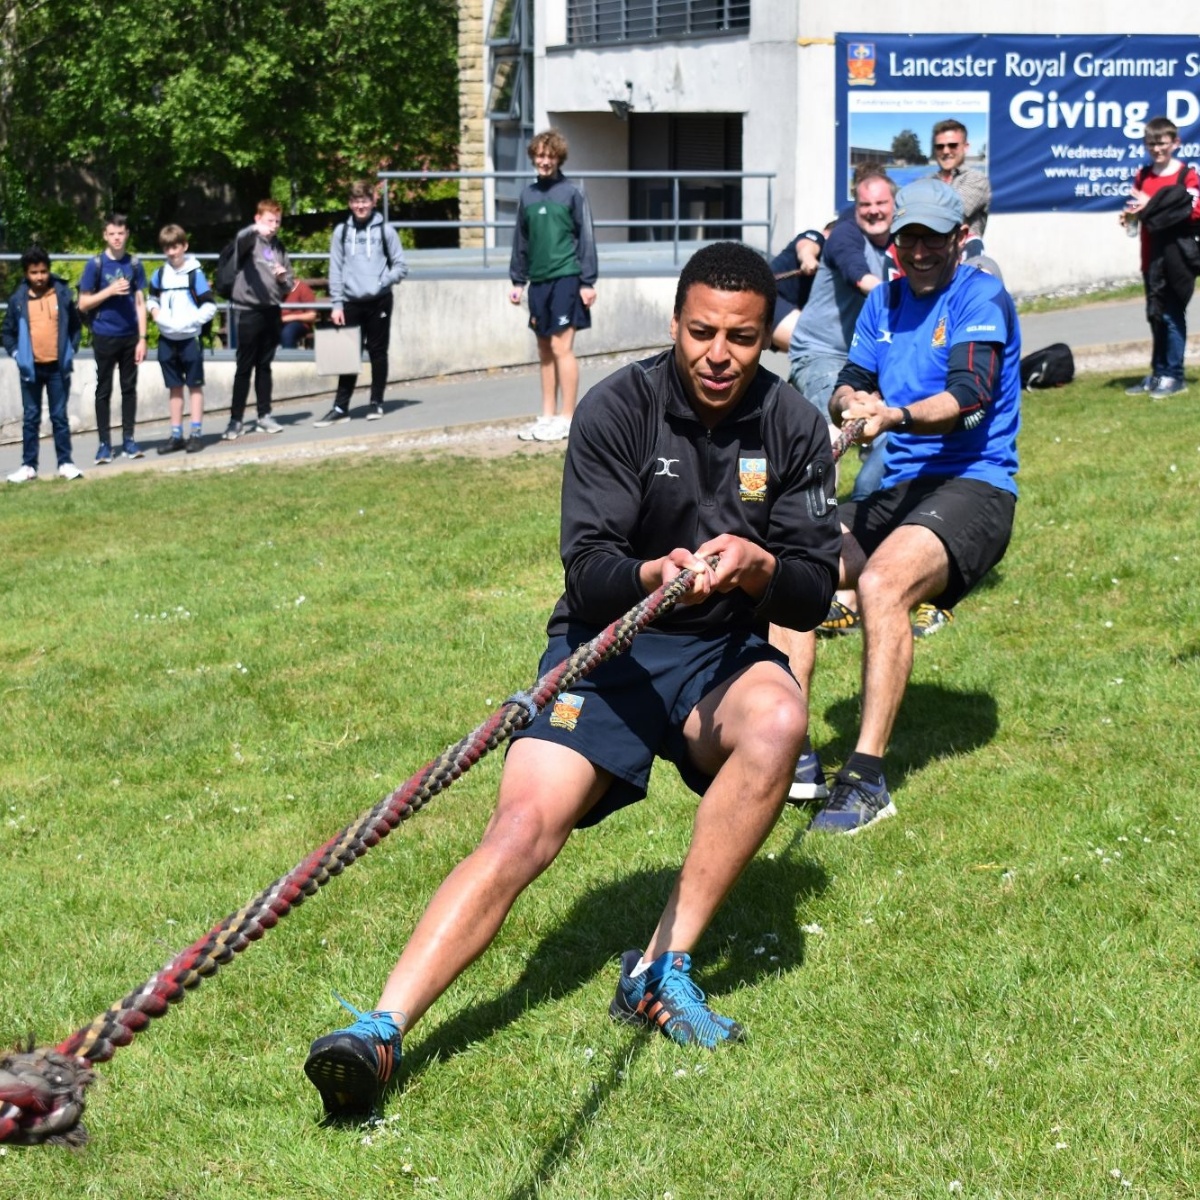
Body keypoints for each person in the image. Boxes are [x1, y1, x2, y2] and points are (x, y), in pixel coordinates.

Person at [302, 242, 840, 1118]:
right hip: (609, 648)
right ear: (674, 323)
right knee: (521, 830)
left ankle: (660, 970)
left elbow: (814, 593)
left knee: (780, 718)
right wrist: (645, 579)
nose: (717, 354)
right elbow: (587, 565)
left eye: (740, 339)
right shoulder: (617, 408)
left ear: (764, 340)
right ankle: (379, 1033)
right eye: (701, 331)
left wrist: (757, 568)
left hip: (717, 660)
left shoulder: (792, 426)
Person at [774, 178, 1021, 835]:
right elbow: (852, 380)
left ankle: (866, 779)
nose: (917, 250)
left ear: (958, 239)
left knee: (882, 584)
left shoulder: (979, 295)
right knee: (793, 561)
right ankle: (791, 753)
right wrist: (848, 406)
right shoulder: (883, 302)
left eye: (932, 238)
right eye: (906, 237)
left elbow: (969, 393)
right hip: (900, 487)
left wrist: (897, 415)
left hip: (976, 484)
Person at [508, 128, 598, 442]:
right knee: (544, 348)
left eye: (550, 156)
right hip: (539, 281)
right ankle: (547, 415)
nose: (545, 161)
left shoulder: (572, 192)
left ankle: (568, 417)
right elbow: (521, 239)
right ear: (534, 158)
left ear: (559, 158)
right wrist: (518, 280)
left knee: (562, 347)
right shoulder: (528, 195)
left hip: (567, 277)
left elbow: (586, 237)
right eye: (540, 156)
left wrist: (587, 281)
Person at [314, 180, 408, 425]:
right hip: (350, 302)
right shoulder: (341, 232)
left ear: (373, 201)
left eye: (365, 200)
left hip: (379, 301)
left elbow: (400, 266)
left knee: (377, 353)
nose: (360, 206)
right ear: (350, 204)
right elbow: (335, 268)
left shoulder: (385, 231)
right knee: (347, 356)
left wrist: (382, 281)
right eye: (356, 201)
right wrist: (336, 304)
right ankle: (340, 407)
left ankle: (376, 402)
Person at [1120, 115, 1200, 401]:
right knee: (1155, 315)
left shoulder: (1186, 175)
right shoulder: (1143, 175)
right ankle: (1158, 372)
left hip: (1177, 257)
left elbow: (1192, 209)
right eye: (1151, 144)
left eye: (1162, 143)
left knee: (1172, 314)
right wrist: (1133, 215)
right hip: (1150, 257)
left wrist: (1150, 205)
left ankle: (1174, 375)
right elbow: (1145, 213)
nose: (1157, 149)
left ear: (1175, 143)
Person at [3, 247, 84, 483]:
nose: (39, 277)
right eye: (34, 272)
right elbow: (7, 333)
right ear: (26, 273)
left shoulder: (62, 294)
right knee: (31, 417)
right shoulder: (18, 300)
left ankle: (65, 463)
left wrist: (71, 349)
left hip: (58, 368)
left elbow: (75, 327)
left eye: (43, 271)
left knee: (59, 416)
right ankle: (29, 466)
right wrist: (18, 354)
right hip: (31, 369)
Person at [222, 199, 295, 440]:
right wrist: (255, 230)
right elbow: (238, 238)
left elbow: (290, 285)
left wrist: (284, 278)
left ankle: (264, 415)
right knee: (244, 367)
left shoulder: (280, 247)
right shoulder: (249, 239)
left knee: (265, 366)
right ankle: (236, 420)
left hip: (271, 310)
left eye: (277, 221)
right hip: (248, 310)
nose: (273, 226)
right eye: (268, 221)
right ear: (257, 219)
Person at [78, 213, 148, 463]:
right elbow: (83, 303)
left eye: (121, 233)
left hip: (130, 336)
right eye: (112, 234)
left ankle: (129, 440)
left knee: (129, 389)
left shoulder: (135, 264)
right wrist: (109, 290)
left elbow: (140, 302)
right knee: (103, 390)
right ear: (105, 235)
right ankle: (104, 444)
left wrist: (143, 337)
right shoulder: (94, 265)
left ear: (127, 234)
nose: (117, 238)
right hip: (104, 335)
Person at [147, 224, 217, 455]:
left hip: (190, 338)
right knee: (174, 387)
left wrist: (192, 322)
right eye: (167, 248)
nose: (172, 252)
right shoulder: (159, 274)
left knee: (194, 386)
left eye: (176, 247)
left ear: (184, 246)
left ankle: (196, 433)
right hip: (167, 338)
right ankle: (176, 434)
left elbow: (209, 305)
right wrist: (156, 314)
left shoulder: (195, 274)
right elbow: (152, 300)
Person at [928, 119, 991, 258]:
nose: (945, 151)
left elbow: (951, 212)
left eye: (952, 145)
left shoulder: (977, 179)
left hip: (964, 261)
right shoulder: (926, 181)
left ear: (965, 147)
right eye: (940, 146)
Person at [768, 224, 830, 352]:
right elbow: (806, 248)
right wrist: (809, 260)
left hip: (786, 312)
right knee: (822, 347)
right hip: (769, 299)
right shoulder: (817, 238)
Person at [280, 279, 319, 350]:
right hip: (275, 322)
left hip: (298, 324)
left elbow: (312, 315)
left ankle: (289, 359)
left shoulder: (302, 288)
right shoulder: (270, 289)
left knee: (288, 332)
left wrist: (289, 317)